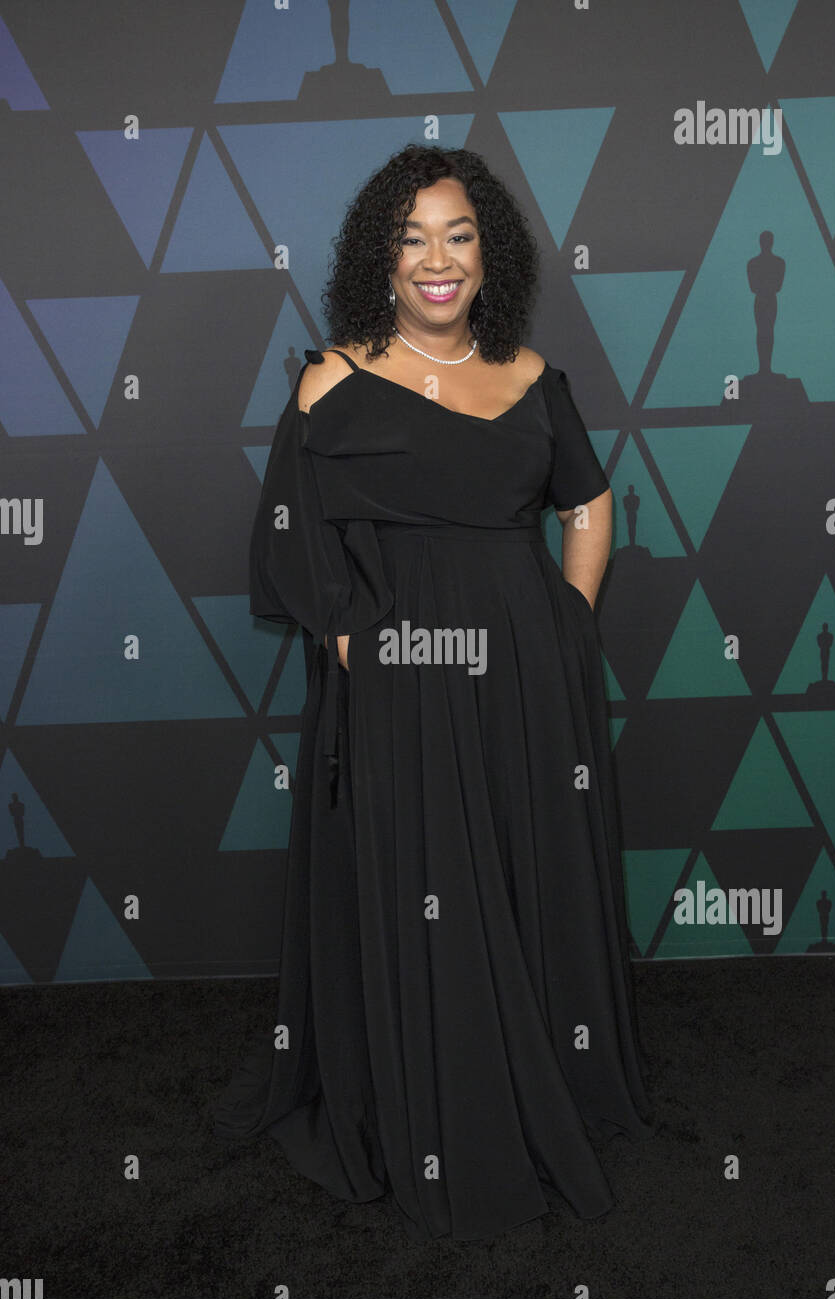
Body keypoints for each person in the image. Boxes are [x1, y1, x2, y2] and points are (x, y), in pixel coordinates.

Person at [213, 142, 654, 1242]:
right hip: (402, 689)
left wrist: (566, 623)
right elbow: (292, 548)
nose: (436, 260)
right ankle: (433, 1104)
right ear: (381, 260)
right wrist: (385, 664)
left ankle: (542, 1079)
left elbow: (589, 509)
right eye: (410, 240)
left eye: (458, 235)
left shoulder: (533, 379)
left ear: (487, 254)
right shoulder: (332, 379)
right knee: (427, 894)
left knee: (517, 875)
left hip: (526, 687)